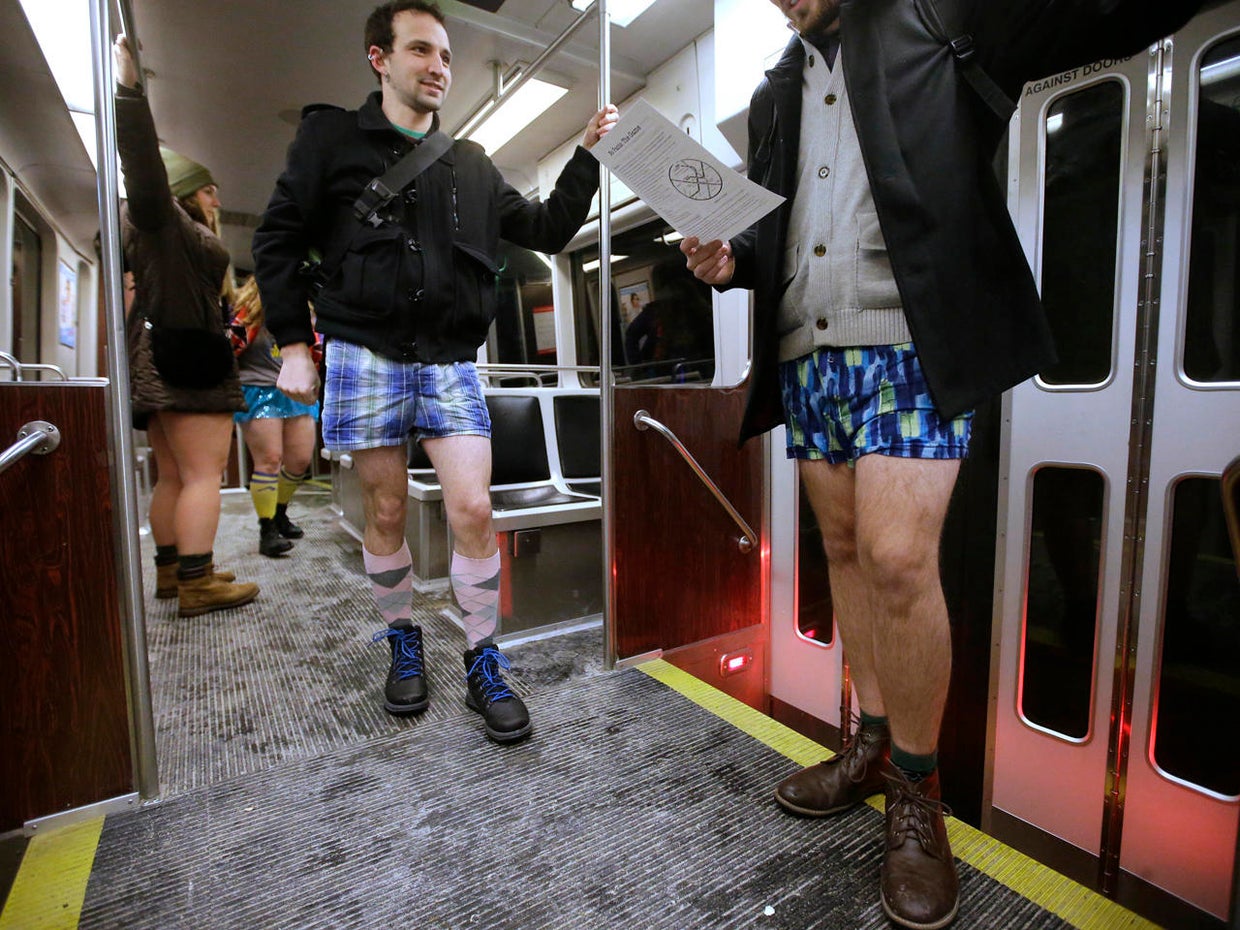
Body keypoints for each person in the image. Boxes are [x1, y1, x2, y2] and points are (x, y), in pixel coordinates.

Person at [680, 1, 1205, 926]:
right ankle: (870, 742)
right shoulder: (773, 92)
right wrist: (732, 260)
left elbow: (1087, 19)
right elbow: (774, 231)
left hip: (908, 340)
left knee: (896, 560)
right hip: (807, 350)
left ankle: (917, 792)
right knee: (845, 553)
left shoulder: (930, 14)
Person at [252, 0, 617, 745]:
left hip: (449, 359)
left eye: (446, 56)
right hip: (365, 351)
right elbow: (277, 240)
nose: (438, 67)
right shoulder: (330, 140)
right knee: (387, 512)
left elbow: (548, 229)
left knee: (473, 509)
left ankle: (483, 658)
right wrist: (292, 344)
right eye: (421, 50)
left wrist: (586, 155)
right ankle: (402, 641)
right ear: (379, 58)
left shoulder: (471, 165)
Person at [114, 35, 260, 619]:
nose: (216, 198)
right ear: (180, 192)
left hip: (157, 358)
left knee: (173, 475)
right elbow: (143, 170)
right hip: (187, 359)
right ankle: (198, 583)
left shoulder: (151, 235)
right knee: (204, 475)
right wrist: (130, 93)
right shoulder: (165, 221)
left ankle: (174, 571)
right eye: (206, 188)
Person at [229, 277, 321, 558]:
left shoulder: (305, 309)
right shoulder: (247, 313)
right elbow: (230, 347)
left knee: (299, 461)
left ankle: (279, 512)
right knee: (269, 460)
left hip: (296, 392)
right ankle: (267, 529)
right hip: (258, 389)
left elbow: (316, 349)